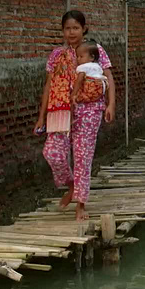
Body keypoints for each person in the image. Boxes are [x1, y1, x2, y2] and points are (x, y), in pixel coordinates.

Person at [34, 11, 116, 221]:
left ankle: (81, 204)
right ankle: (72, 186)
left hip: (89, 110)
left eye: (76, 28)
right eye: (67, 28)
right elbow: (49, 85)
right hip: (60, 110)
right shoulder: (56, 55)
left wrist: (111, 104)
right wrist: (42, 116)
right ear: (62, 31)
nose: (71, 32)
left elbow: (108, 77)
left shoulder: (95, 50)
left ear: (84, 29)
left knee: (82, 157)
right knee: (53, 152)